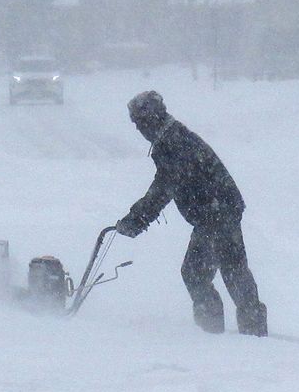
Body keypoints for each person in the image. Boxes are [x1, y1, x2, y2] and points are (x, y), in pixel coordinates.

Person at [115, 91, 268, 337]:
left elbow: (164, 187)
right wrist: (138, 218)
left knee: (198, 273)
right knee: (232, 269)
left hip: (215, 213)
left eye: (139, 123)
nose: (138, 129)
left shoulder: (173, 143)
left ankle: (211, 332)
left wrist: (136, 220)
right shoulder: (173, 137)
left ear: (151, 119)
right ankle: (251, 328)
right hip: (220, 210)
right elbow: (166, 183)